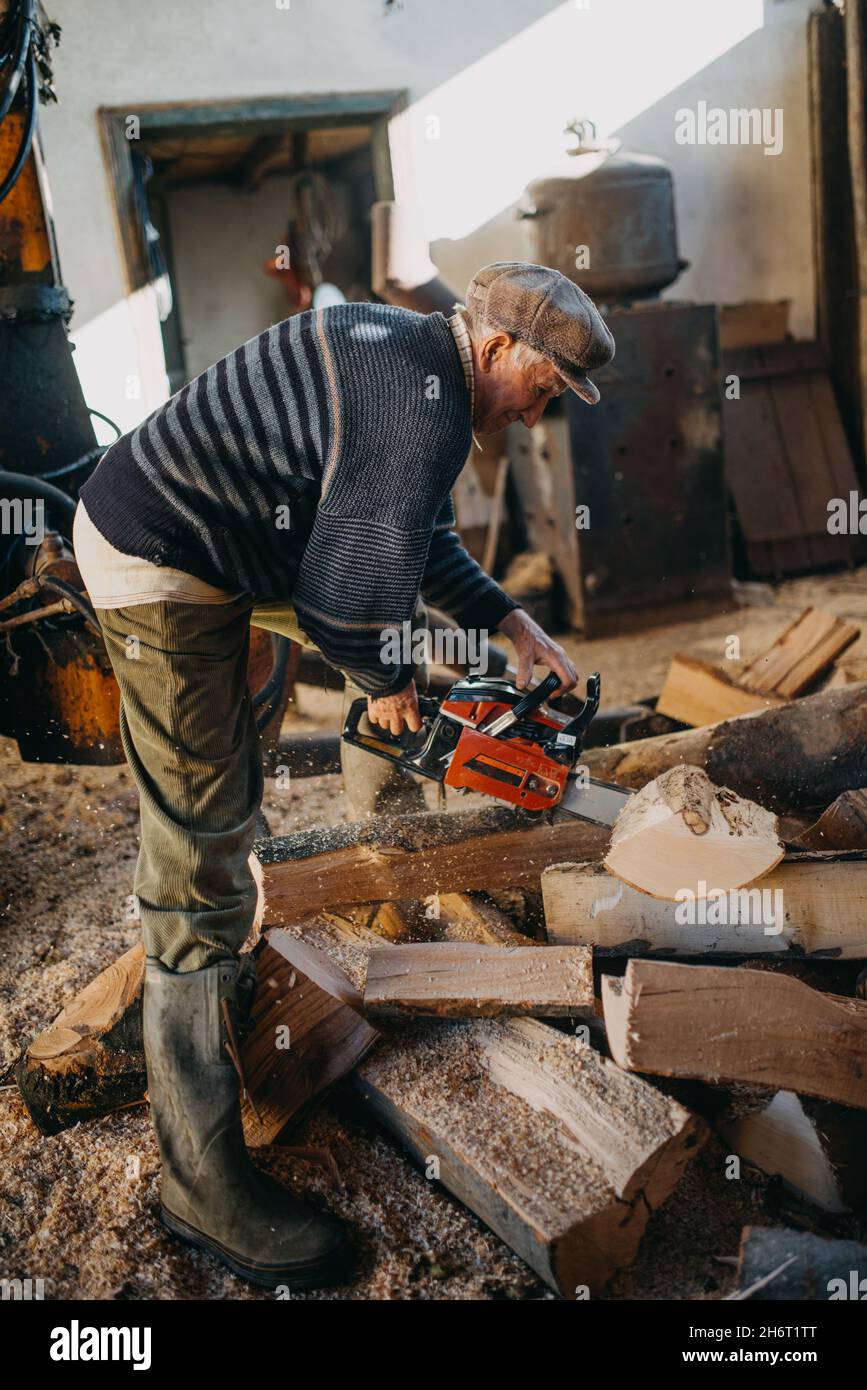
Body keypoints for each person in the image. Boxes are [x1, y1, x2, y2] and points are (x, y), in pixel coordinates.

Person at [73, 260, 615, 1289]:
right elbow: (341, 598)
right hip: (164, 550)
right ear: (498, 348)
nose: (545, 413)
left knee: (401, 659)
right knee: (204, 839)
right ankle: (199, 1178)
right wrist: (386, 682)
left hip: (233, 534)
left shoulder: (420, 368)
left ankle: (386, 881)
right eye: (546, 387)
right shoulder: (425, 404)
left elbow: (413, 536)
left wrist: (508, 619)